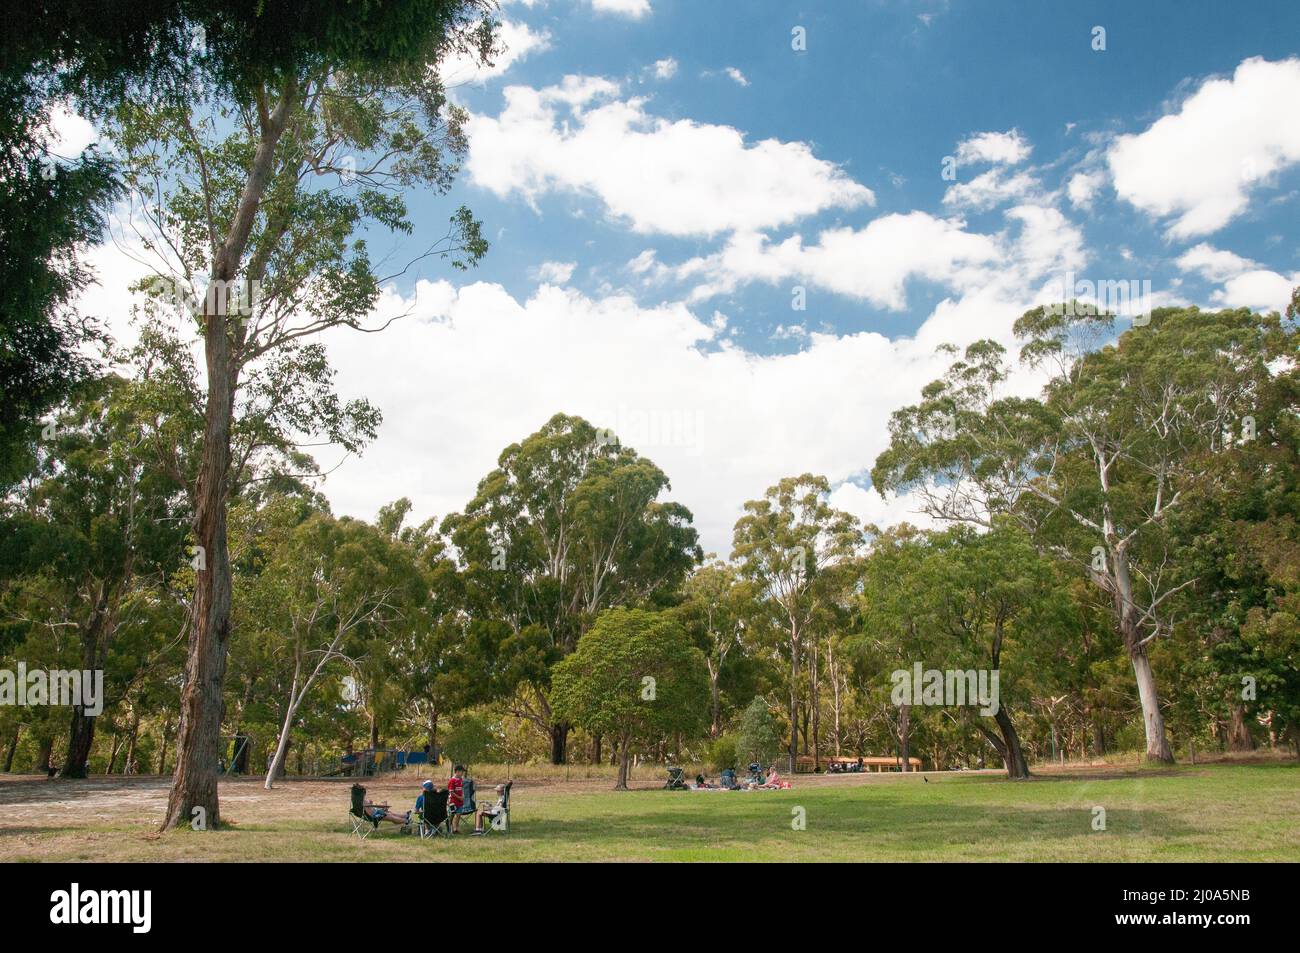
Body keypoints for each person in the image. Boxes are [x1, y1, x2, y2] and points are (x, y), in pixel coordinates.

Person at [447, 764, 468, 833]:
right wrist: (459, 797)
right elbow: (451, 792)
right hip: (453, 801)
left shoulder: (461, 779)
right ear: (457, 772)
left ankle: (456, 828)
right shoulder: (452, 780)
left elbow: (461, 789)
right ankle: (449, 828)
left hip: (460, 802)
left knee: (458, 815)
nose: (462, 773)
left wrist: (463, 796)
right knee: (452, 815)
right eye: (462, 772)